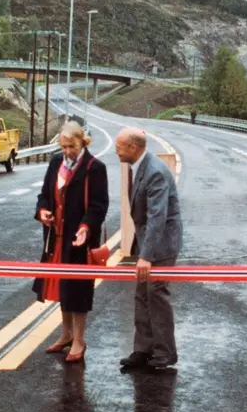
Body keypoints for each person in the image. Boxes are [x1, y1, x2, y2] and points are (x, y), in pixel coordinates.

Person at [34, 121, 110, 364]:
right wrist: (43, 211)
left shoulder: (94, 168)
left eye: (72, 146)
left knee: (78, 289)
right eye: (64, 146)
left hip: (80, 240)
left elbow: (99, 206)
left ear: (83, 142)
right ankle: (66, 334)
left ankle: (79, 339)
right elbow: (44, 195)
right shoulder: (56, 162)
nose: (68, 151)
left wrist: (86, 227)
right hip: (56, 238)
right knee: (61, 287)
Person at [116, 128, 182, 371]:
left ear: (134, 148)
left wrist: (145, 256)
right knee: (142, 294)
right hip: (148, 242)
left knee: (157, 295)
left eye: (120, 147)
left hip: (161, 245)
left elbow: (157, 217)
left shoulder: (155, 172)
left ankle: (164, 353)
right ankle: (143, 349)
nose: (116, 151)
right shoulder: (139, 167)